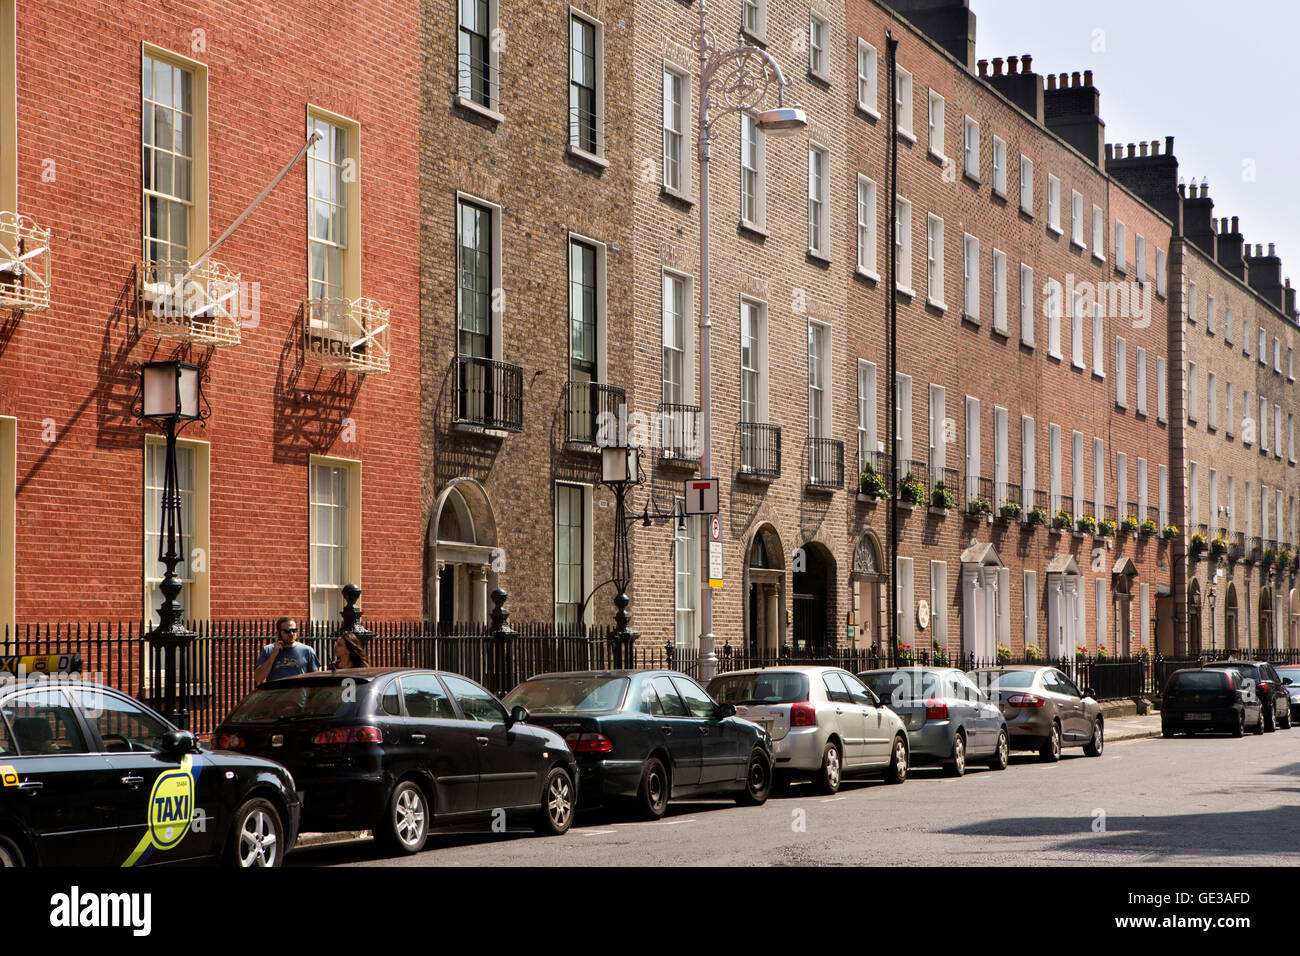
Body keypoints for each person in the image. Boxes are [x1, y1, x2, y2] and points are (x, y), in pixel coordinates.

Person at [253, 617, 320, 684]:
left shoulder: (307, 651)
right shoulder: (268, 650)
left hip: (299, 690)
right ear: (278, 633)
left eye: (294, 630)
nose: (291, 634)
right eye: (287, 631)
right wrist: (273, 654)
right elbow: (258, 678)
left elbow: (316, 679)